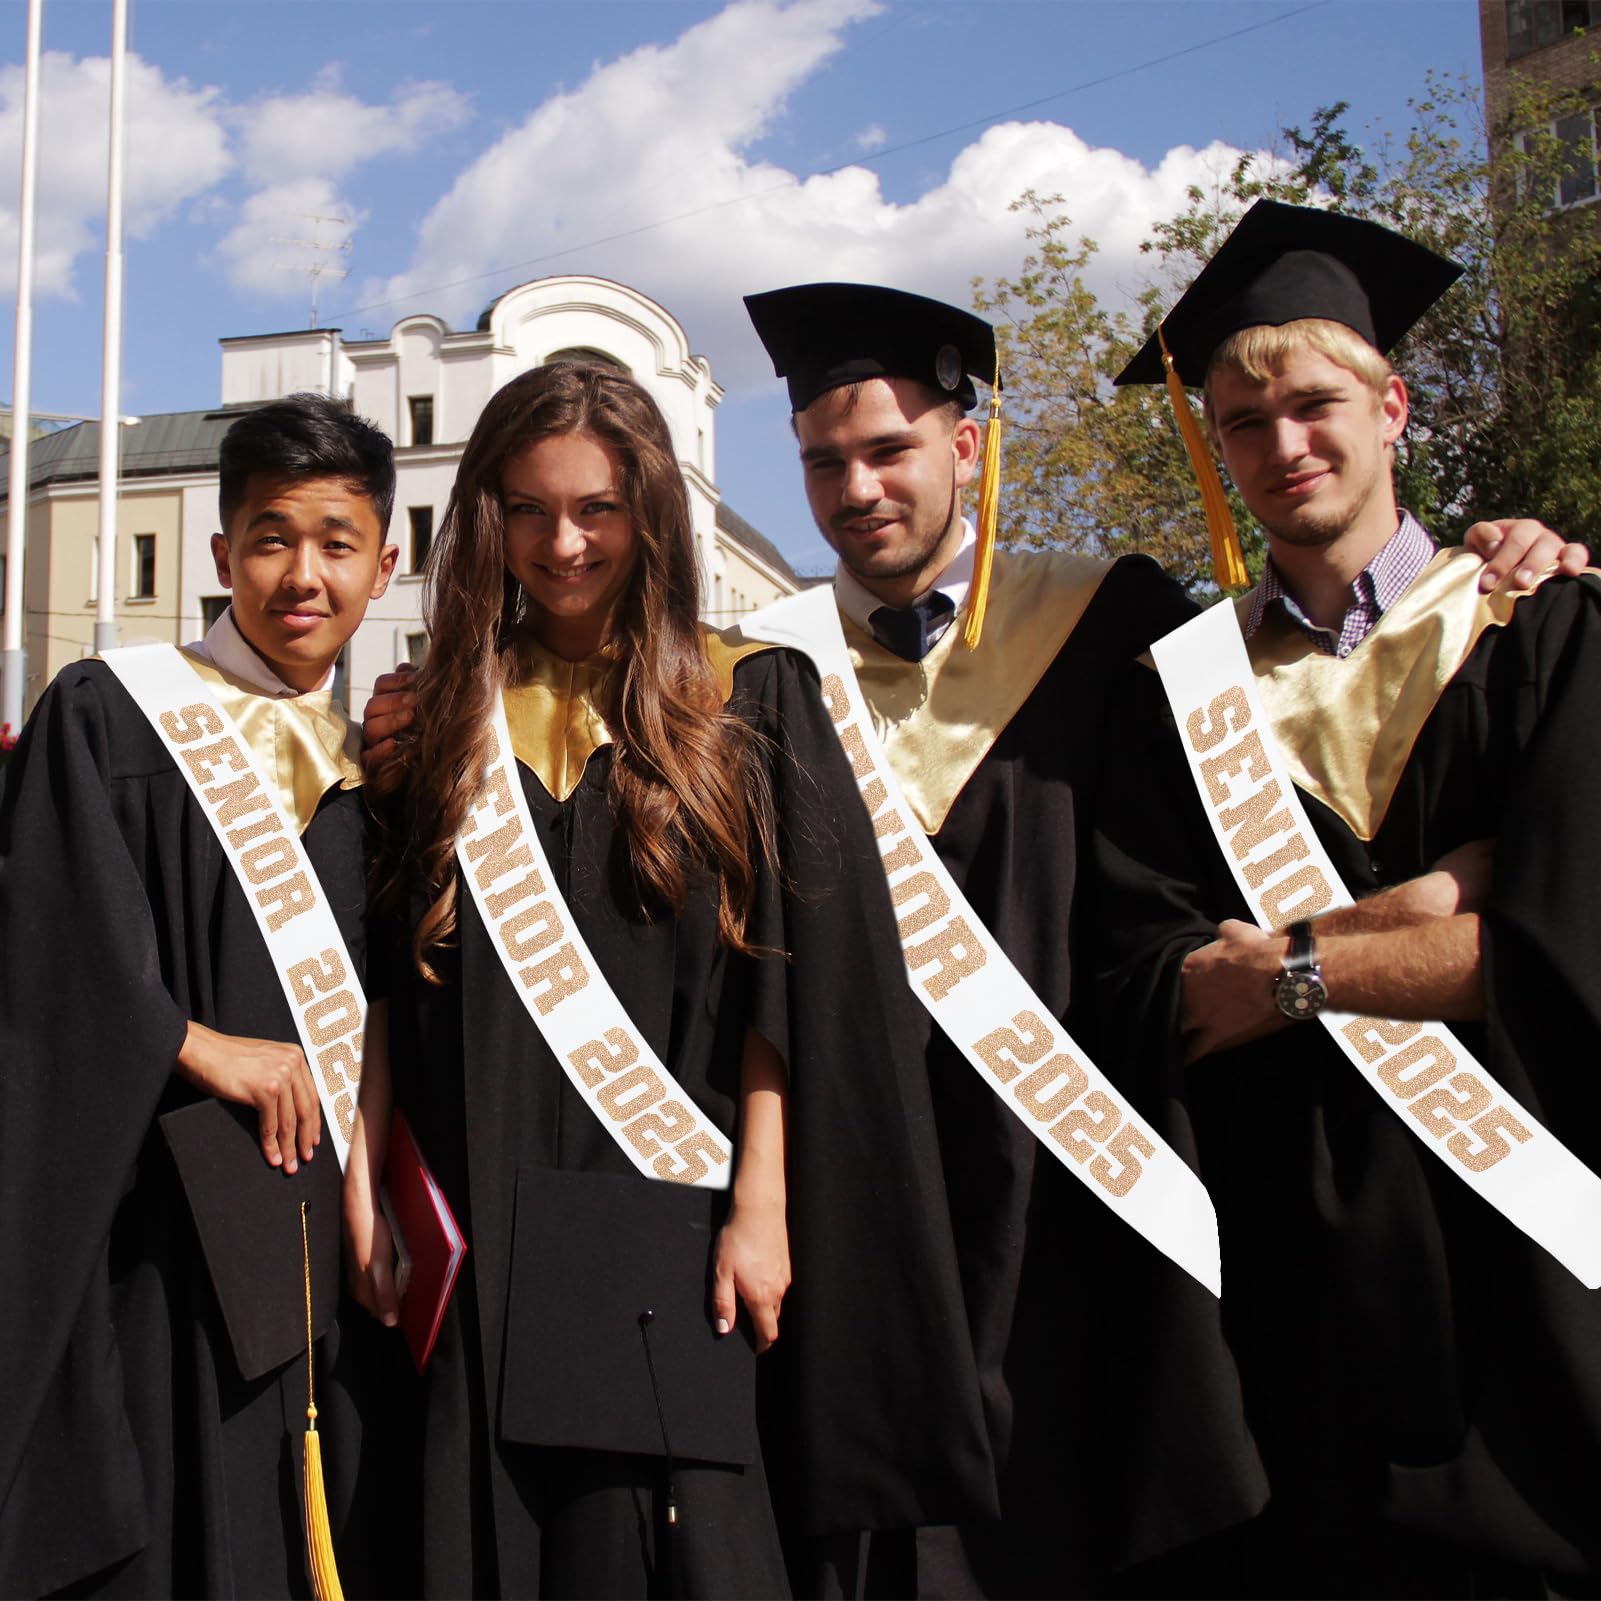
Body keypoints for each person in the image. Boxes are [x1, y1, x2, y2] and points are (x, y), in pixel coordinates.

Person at [361, 291, 1583, 1601]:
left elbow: (1222, 826)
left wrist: (1517, 550)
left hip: (1065, 1176)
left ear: (967, 446)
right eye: (824, 460)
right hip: (855, 1175)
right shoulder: (749, 677)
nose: (857, 488)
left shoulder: (1112, 623)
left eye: (889, 449)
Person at [346, 360, 992, 1599]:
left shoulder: (745, 695)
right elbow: (393, 973)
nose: (563, 543)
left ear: (649, 511)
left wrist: (762, 1197)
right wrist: (376, 1177)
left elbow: (787, 983)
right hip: (488, 1212)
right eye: (527, 509)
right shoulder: (439, 720)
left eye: (597, 507)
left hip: (678, 1210)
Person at [1096, 199, 1601, 1593]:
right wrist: (1430, 901)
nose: (1282, 447)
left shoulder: (1541, 629)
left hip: (1525, 1277)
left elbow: (1566, 951)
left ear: (1391, 406)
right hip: (1282, 1312)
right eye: (1242, 423)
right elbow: (1152, 989)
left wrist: (1285, 971)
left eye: (1313, 405)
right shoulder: (1172, 698)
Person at [0, 395, 408, 1596]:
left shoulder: (374, 774)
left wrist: (373, 1184)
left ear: (384, 565)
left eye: (337, 543)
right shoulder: (111, 712)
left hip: (314, 1224)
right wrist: (189, 1040)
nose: (302, 573)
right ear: (220, 554)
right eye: (271, 538)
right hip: (157, 1225)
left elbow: (388, 1002)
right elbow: (35, 946)